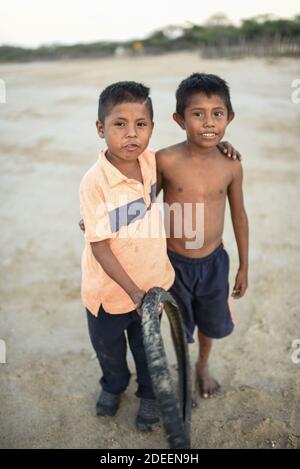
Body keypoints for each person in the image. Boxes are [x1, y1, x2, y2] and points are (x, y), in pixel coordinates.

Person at [79, 81, 175, 431]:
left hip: (151, 284)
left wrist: (218, 146)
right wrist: (132, 292)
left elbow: (177, 169)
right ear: (101, 129)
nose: (131, 134)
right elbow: (100, 246)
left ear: (152, 127)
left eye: (141, 124)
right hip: (108, 293)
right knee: (111, 353)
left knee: (149, 348)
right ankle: (113, 386)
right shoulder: (95, 182)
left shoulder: (151, 161)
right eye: (120, 124)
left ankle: (148, 395)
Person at [156, 73, 249, 406]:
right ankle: (184, 372)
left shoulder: (231, 165)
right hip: (174, 263)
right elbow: (140, 202)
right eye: (198, 114)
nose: (209, 122)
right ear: (180, 119)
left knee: (210, 323)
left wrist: (243, 267)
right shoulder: (164, 160)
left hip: (213, 262)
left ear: (230, 118)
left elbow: (239, 215)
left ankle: (202, 365)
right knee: (179, 325)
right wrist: (103, 216)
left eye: (217, 113)